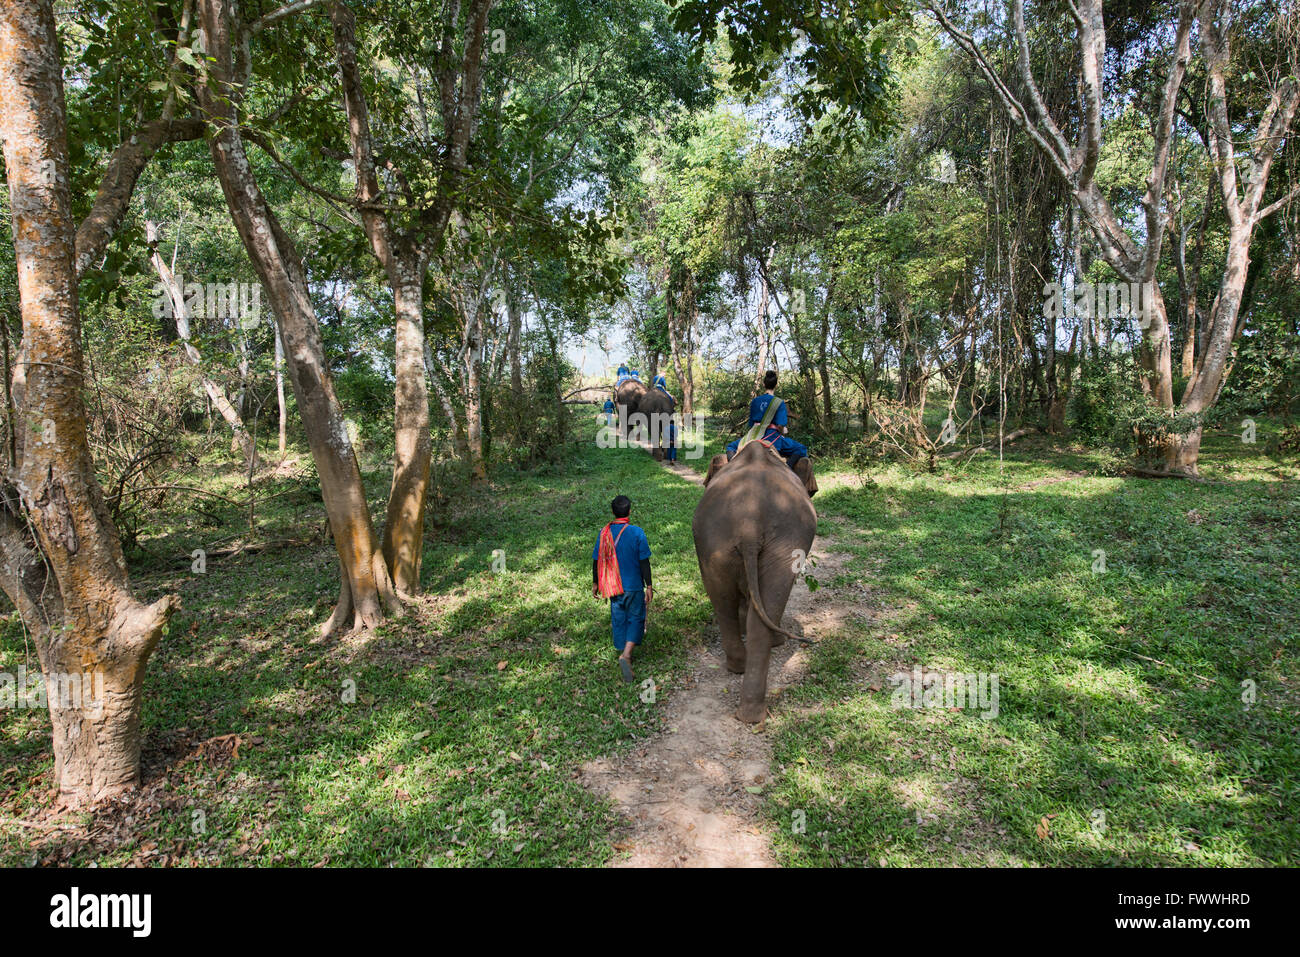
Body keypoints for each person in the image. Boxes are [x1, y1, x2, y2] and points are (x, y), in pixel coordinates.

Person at [592, 495, 652, 683]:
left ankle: (624, 648)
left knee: (619, 617)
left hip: (612, 585)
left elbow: (596, 560)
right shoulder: (637, 533)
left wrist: (595, 583)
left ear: (613, 512)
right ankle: (626, 654)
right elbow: (644, 562)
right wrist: (649, 585)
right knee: (636, 617)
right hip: (633, 585)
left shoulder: (604, 533)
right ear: (630, 511)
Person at [725, 369, 808, 470]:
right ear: (776, 385)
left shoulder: (755, 401)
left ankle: (733, 468)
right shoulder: (779, 402)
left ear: (764, 384)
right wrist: (783, 431)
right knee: (801, 448)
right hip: (772, 438)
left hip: (754, 436)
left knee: (731, 447)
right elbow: (780, 425)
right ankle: (787, 468)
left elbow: (751, 425)